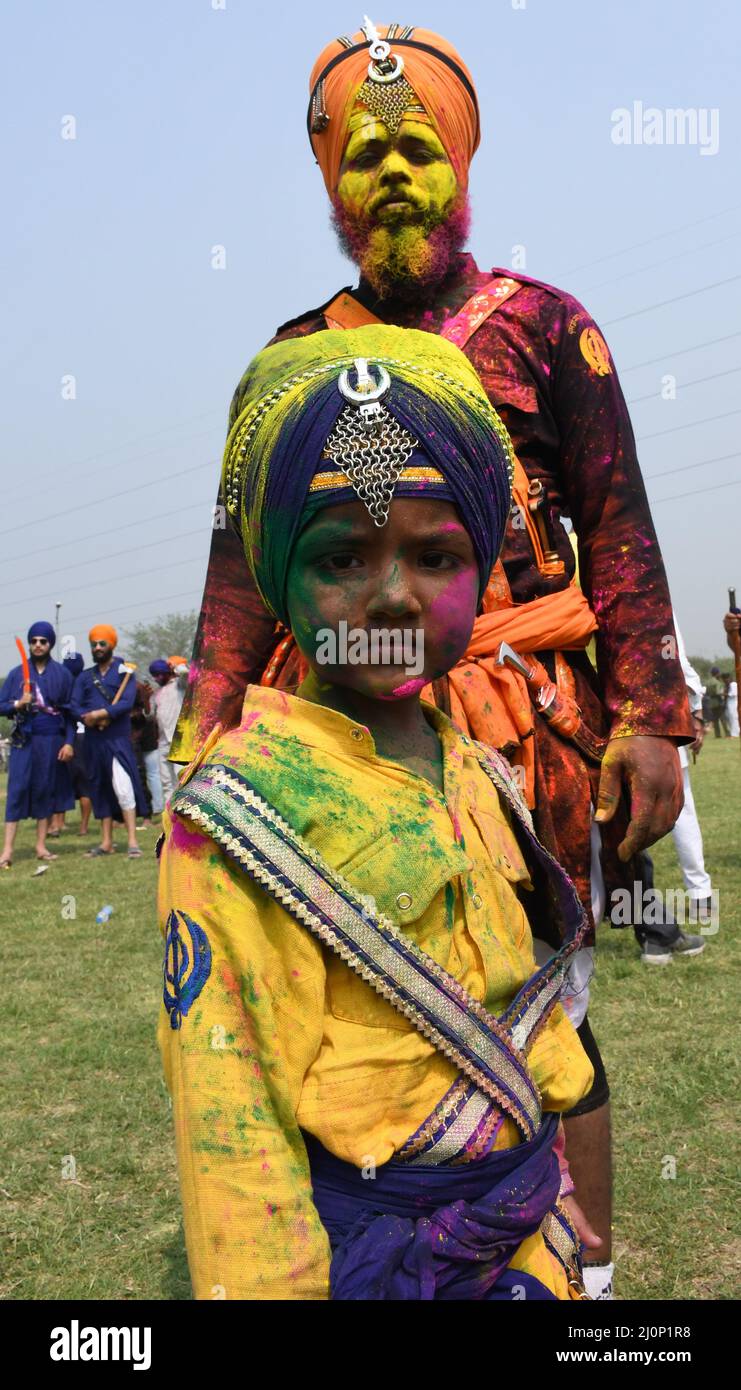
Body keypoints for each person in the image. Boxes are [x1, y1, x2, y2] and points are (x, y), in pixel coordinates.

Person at [171, 22, 696, 1296]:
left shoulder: (548, 327)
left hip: (525, 736)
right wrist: (206, 720)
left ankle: (580, 1266)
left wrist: (652, 717)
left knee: (547, 1004)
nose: (394, 173)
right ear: (332, 188)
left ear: (461, 164)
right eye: (366, 158)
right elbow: (239, 570)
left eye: (418, 148)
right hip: (339, 736)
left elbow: (618, 524)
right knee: (351, 1013)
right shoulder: (290, 367)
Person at [158, 326, 601, 1301]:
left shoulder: (475, 765)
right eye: (342, 557)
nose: (390, 595)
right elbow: (232, 1140)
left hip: (527, 1240)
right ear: (279, 572)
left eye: (435, 555)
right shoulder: (231, 823)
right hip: (378, 1266)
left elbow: (521, 1024)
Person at [0, 622, 75, 868]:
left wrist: (69, 742)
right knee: (17, 791)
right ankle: (7, 850)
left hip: (52, 740)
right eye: (34, 641)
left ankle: (41, 845)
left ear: (50, 643)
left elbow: (70, 714)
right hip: (24, 740)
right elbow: (1, 706)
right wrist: (17, 704)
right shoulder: (16, 674)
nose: (38, 645)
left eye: (43, 641)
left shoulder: (62, 675)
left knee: (44, 790)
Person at [70, 626, 148, 858]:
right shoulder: (85, 677)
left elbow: (125, 703)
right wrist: (87, 718)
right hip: (93, 740)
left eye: (102, 644)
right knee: (99, 788)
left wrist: (102, 714)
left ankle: (133, 841)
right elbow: (74, 704)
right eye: (94, 644)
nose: (97, 648)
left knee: (123, 788)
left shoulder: (125, 674)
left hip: (117, 740)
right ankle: (106, 842)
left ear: (111, 645)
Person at [148, 659, 186, 804]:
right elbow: (150, 715)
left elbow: (185, 673)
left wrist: (175, 666)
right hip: (163, 743)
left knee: (180, 777)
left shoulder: (179, 686)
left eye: (158, 674)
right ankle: (169, 815)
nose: (156, 678)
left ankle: (183, 811)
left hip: (179, 741)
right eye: (154, 676)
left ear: (167, 672)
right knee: (166, 782)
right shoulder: (157, 693)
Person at [130, 678, 162, 823]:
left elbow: (148, 712)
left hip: (140, 739)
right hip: (132, 739)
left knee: (145, 775)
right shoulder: (139, 689)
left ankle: (148, 813)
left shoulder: (138, 689)